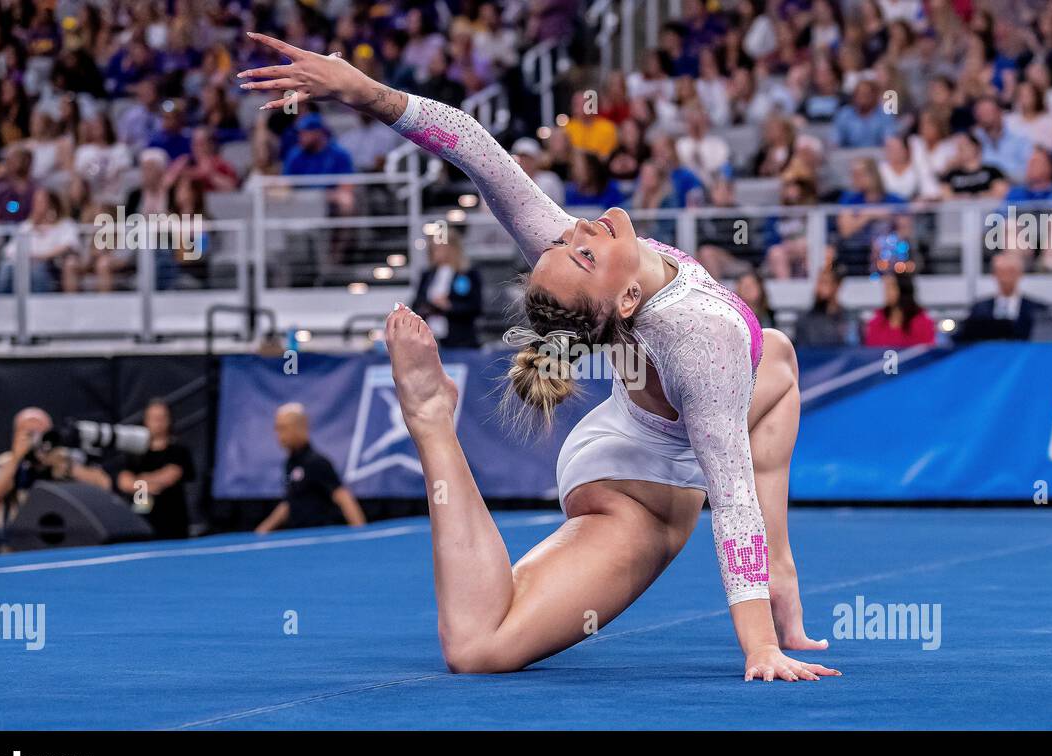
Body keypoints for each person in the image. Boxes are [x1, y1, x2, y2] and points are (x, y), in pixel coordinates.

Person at [240, 33, 839, 681]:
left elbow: (475, 149)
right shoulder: (693, 329)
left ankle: (783, 577)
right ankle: (433, 418)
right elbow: (732, 492)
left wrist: (366, 92)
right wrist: (758, 647)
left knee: (777, 360)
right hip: (635, 488)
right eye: (578, 253)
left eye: (569, 240)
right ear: (627, 299)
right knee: (482, 646)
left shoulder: (651, 301)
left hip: (678, 412)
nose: (578, 230)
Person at [0, 408, 112, 552]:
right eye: (29, 433)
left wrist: (68, 467)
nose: (36, 439)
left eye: (41, 432)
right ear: (16, 435)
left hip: (69, 544)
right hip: (17, 548)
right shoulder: (4, 462)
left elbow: (105, 485)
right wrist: (17, 459)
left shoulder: (65, 458)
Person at [255, 403, 366, 534]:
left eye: (283, 428)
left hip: (321, 538)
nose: (279, 435)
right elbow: (290, 503)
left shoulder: (317, 462)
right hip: (299, 538)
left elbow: (343, 497)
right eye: (277, 429)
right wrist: (262, 530)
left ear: (300, 427)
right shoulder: (290, 463)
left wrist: (362, 534)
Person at [116, 399, 196, 541]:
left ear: (169, 420)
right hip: (142, 520)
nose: (158, 423)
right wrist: (146, 483)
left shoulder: (178, 451)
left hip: (173, 522)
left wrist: (140, 480)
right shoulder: (135, 453)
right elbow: (124, 482)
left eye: (162, 418)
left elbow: (170, 476)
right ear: (146, 421)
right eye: (154, 418)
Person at [411, 230, 483, 348]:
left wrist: (449, 306)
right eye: (433, 248)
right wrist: (429, 306)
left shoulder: (468, 274)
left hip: (460, 340)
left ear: (452, 248)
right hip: (430, 339)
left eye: (440, 247)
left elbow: (476, 307)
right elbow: (416, 304)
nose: (435, 251)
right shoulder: (427, 275)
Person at [957, 251, 1046, 341]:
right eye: (1001, 272)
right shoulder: (979, 309)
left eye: (1010, 272)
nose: (1005, 277)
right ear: (994, 275)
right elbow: (965, 339)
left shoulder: (1036, 309)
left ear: (1020, 274)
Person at [864, 272, 935, 347]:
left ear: (903, 290)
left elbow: (927, 351)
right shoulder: (877, 321)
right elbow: (871, 350)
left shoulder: (922, 322)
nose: (886, 293)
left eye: (890, 288)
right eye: (886, 288)